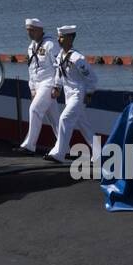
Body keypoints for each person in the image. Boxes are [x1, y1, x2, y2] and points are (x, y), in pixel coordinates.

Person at [45, 24, 95, 163]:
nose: (58, 39)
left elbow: (91, 77)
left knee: (64, 119)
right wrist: (57, 87)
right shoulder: (61, 55)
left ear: (70, 39)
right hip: (68, 95)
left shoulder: (77, 58)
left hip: (78, 94)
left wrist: (89, 93)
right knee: (84, 126)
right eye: (58, 36)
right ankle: (99, 154)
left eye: (61, 37)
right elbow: (59, 73)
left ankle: (59, 153)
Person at [16, 18, 60, 154]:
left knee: (35, 110)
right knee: (55, 119)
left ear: (40, 30)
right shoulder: (32, 46)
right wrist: (33, 88)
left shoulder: (50, 44)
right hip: (39, 84)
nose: (29, 33)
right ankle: (65, 147)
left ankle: (29, 146)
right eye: (28, 30)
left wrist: (57, 86)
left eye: (32, 30)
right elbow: (32, 69)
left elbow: (59, 67)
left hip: (49, 82)